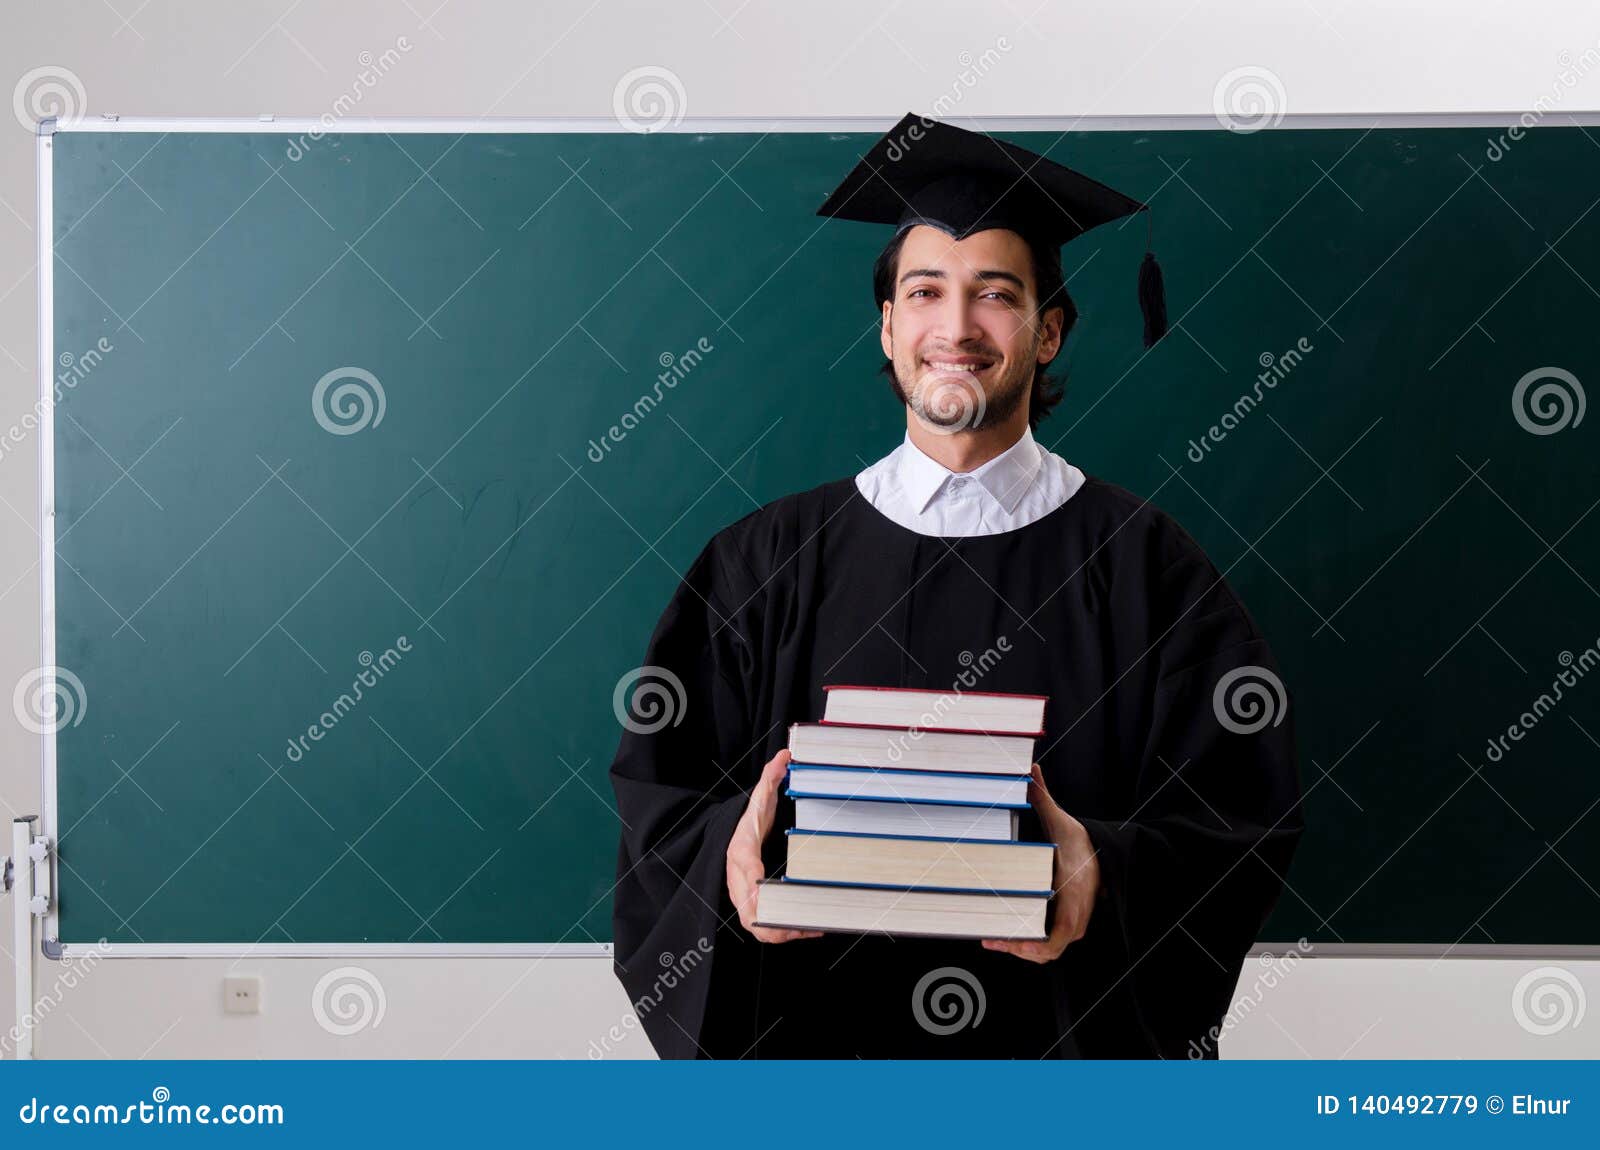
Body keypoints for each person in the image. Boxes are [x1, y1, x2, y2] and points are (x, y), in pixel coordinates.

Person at [608, 112, 1303, 1058]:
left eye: (997, 295)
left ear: (1049, 331)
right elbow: (664, 801)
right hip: (817, 1062)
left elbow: (1238, 817)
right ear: (889, 327)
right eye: (926, 291)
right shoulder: (761, 563)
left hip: (1063, 1067)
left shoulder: (1150, 569)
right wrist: (733, 846)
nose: (957, 327)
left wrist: (1100, 869)